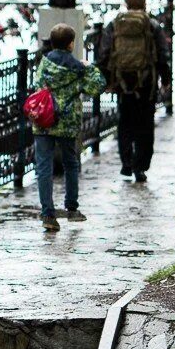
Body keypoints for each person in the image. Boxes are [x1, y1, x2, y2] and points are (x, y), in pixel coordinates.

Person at [32, 23, 105, 231]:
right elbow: (97, 86)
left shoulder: (44, 64)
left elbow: (38, 86)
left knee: (43, 167)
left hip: (44, 120)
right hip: (67, 122)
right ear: (71, 44)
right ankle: (71, 208)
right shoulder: (77, 67)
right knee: (70, 163)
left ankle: (47, 213)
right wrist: (89, 67)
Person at [96, 0, 172, 183]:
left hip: (122, 81)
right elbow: (163, 55)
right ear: (144, 2)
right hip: (146, 81)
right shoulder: (151, 25)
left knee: (125, 121)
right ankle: (141, 166)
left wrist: (105, 80)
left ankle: (126, 163)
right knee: (145, 123)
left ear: (126, 3)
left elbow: (104, 54)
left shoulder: (115, 25)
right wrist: (166, 79)